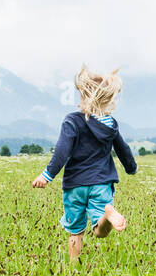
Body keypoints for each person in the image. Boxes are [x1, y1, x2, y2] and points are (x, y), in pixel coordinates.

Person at [32, 65, 137, 262]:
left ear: (84, 95)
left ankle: (73, 270)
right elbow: (123, 149)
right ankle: (107, 216)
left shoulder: (72, 121)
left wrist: (46, 176)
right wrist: (131, 168)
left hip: (75, 185)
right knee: (99, 231)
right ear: (108, 99)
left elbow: (62, 152)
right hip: (101, 184)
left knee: (75, 231)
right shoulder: (111, 124)